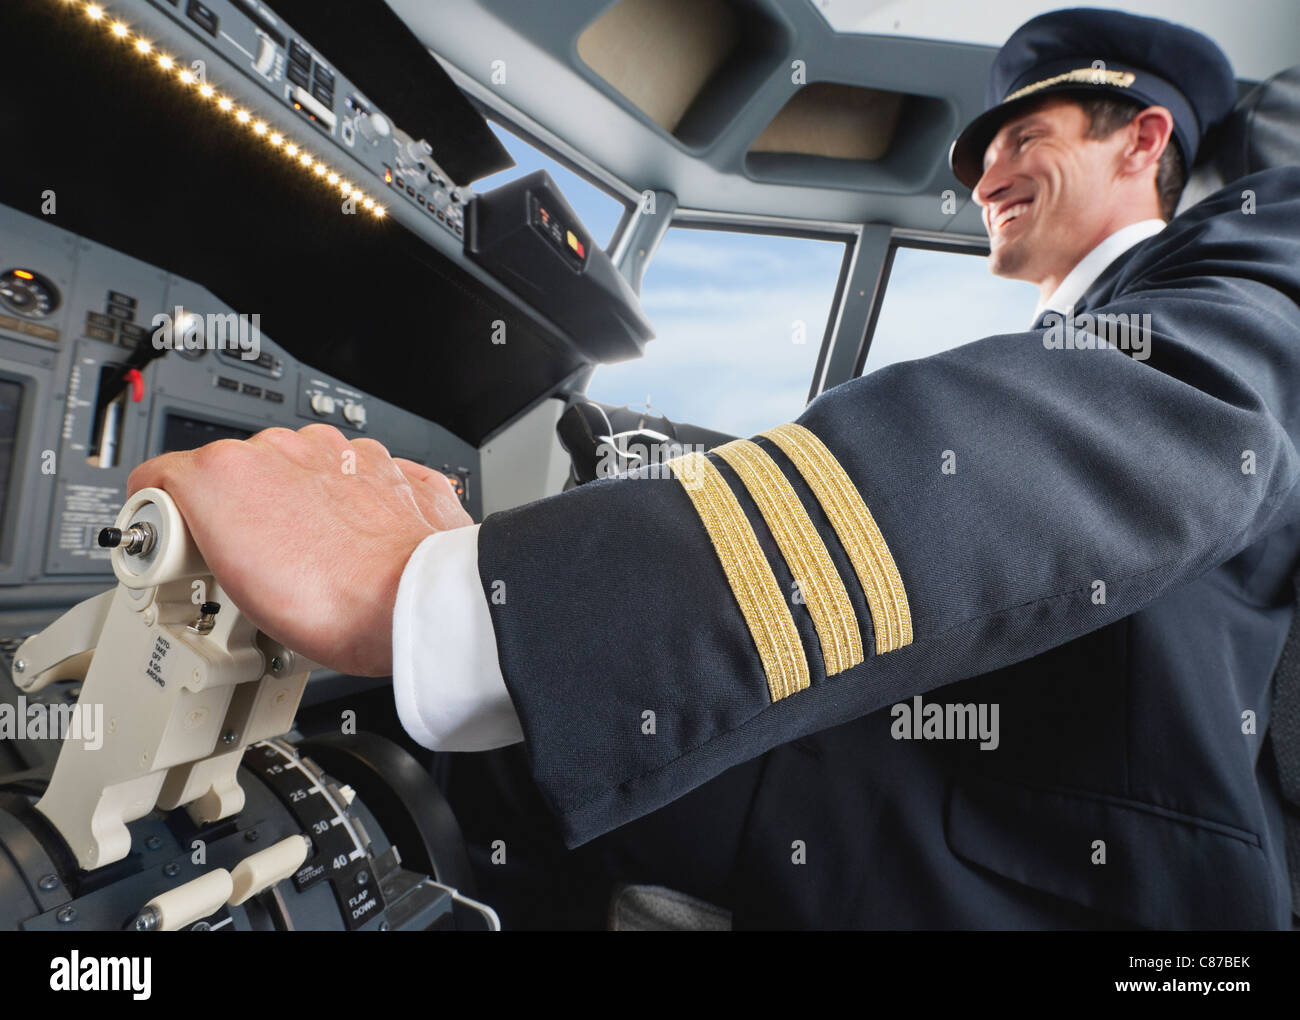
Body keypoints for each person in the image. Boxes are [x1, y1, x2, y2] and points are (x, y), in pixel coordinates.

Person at [128, 8, 1300, 928]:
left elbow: (1077, 447)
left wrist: (437, 596)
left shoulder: (1240, 276)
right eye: (983, 153)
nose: (984, 176)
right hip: (1027, 793)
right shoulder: (1118, 323)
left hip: (1090, 870)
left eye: (1022, 139)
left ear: (1144, 138)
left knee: (517, 764)